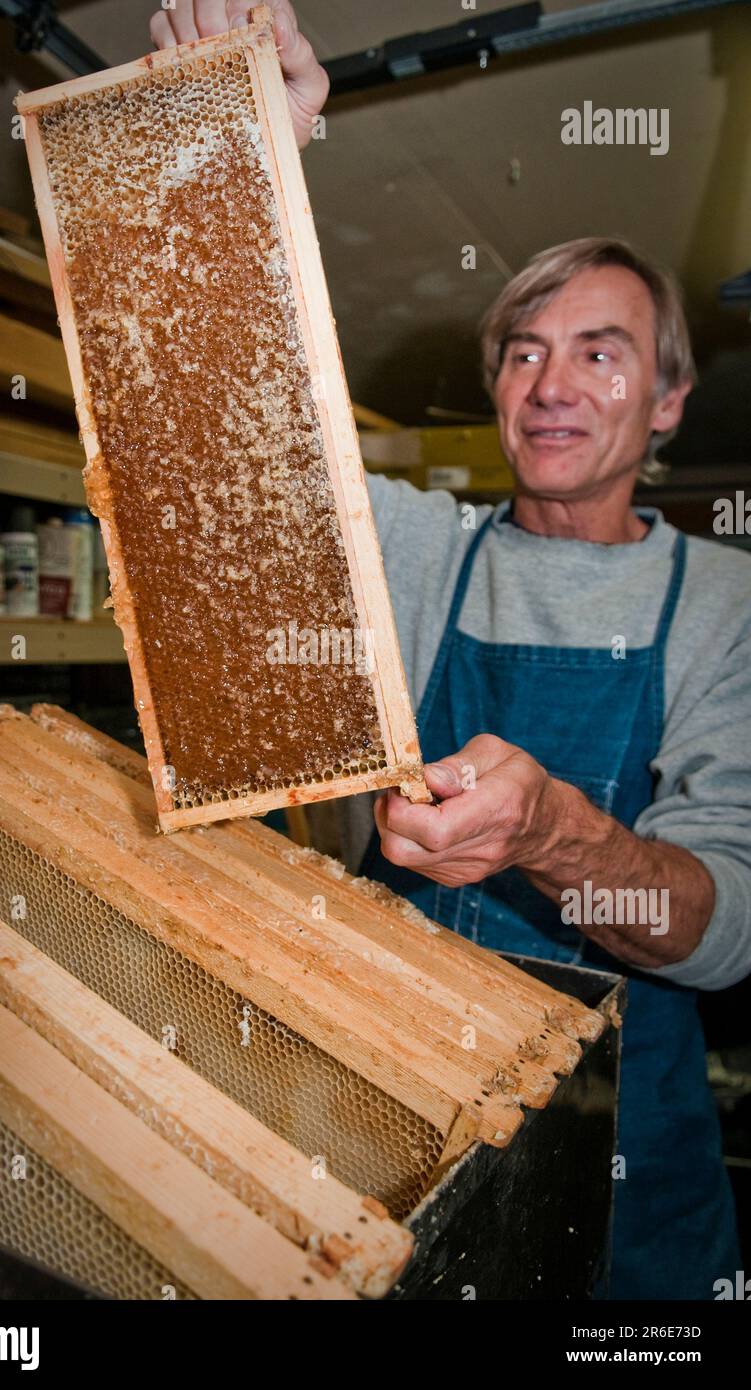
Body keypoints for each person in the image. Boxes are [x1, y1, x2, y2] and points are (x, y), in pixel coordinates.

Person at [151, 1, 751, 1299]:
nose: (552, 383)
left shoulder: (724, 601)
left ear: (668, 400)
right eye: (524, 352)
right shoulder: (423, 549)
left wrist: (557, 835)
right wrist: (252, 128)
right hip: (388, 1105)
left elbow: (720, 931)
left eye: (602, 354)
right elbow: (232, 425)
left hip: (625, 1166)